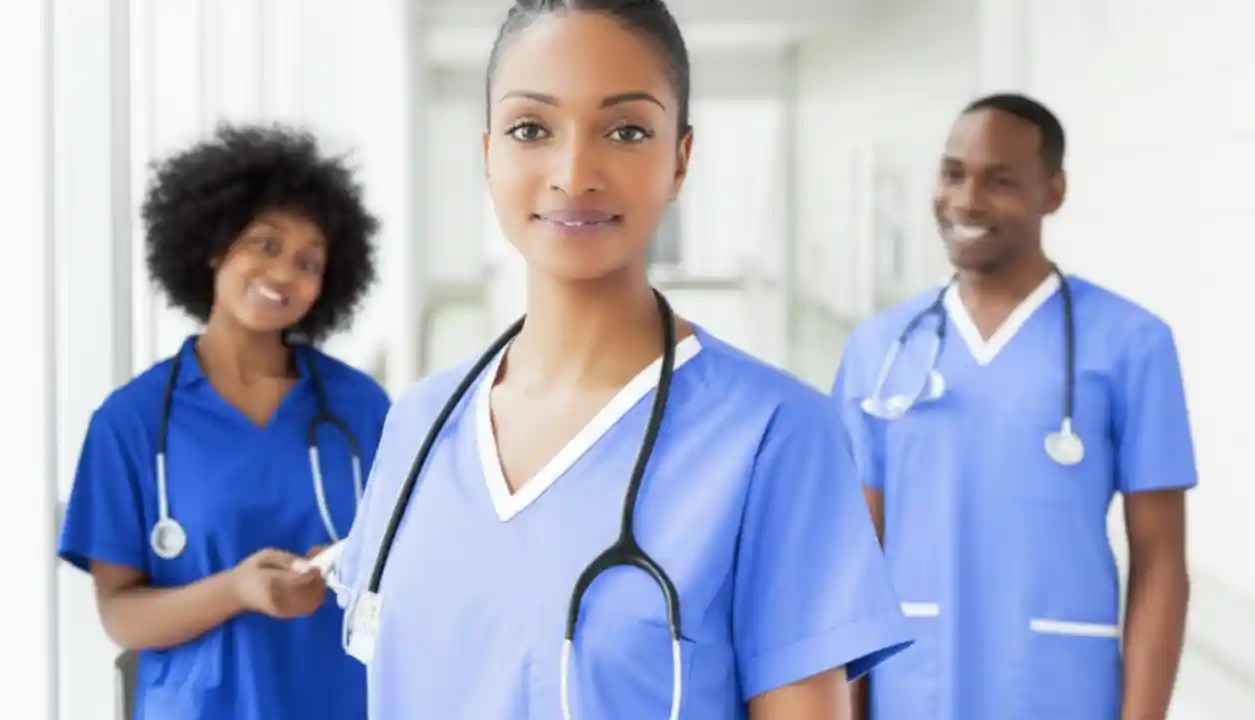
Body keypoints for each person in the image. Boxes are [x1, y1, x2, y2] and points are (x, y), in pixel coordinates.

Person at [334, 1, 911, 718]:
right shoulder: (418, 426)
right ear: (488, 154)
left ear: (680, 159)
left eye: (627, 130)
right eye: (531, 129)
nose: (575, 173)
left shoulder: (775, 435)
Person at [832, 93, 1197, 719]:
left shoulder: (1131, 344)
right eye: (953, 173)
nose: (967, 200)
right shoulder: (881, 348)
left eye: (1000, 180)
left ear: (1052, 192)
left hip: (1060, 689)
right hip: (913, 689)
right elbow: (850, 563)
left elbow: (1161, 564)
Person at [58, 124, 390, 718]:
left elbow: (406, 568)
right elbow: (121, 615)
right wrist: (237, 590)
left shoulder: (361, 408)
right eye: (264, 245)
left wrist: (349, 571)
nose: (284, 273)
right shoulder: (131, 422)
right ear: (215, 245)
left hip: (334, 701)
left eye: (308, 261)